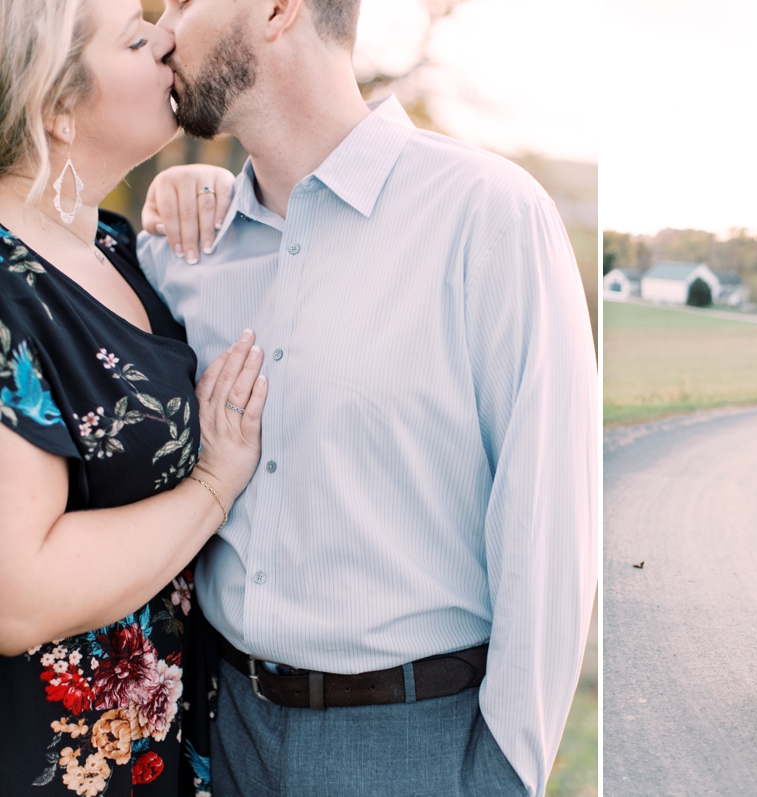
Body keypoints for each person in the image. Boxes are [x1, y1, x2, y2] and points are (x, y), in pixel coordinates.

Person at [137, 1, 598, 795]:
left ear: (277, 9)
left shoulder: (488, 214)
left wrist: (503, 773)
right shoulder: (182, 248)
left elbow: (549, 518)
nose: (164, 30)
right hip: (222, 734)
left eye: (183, 0)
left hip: (419, 745)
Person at [0, 1, 262, 795]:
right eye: (135, 38)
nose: (167, 39)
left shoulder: (113, 244)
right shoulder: (7, 292)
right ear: (57, 106)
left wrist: (202, 190)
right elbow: (18, 593)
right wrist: (213, 485)